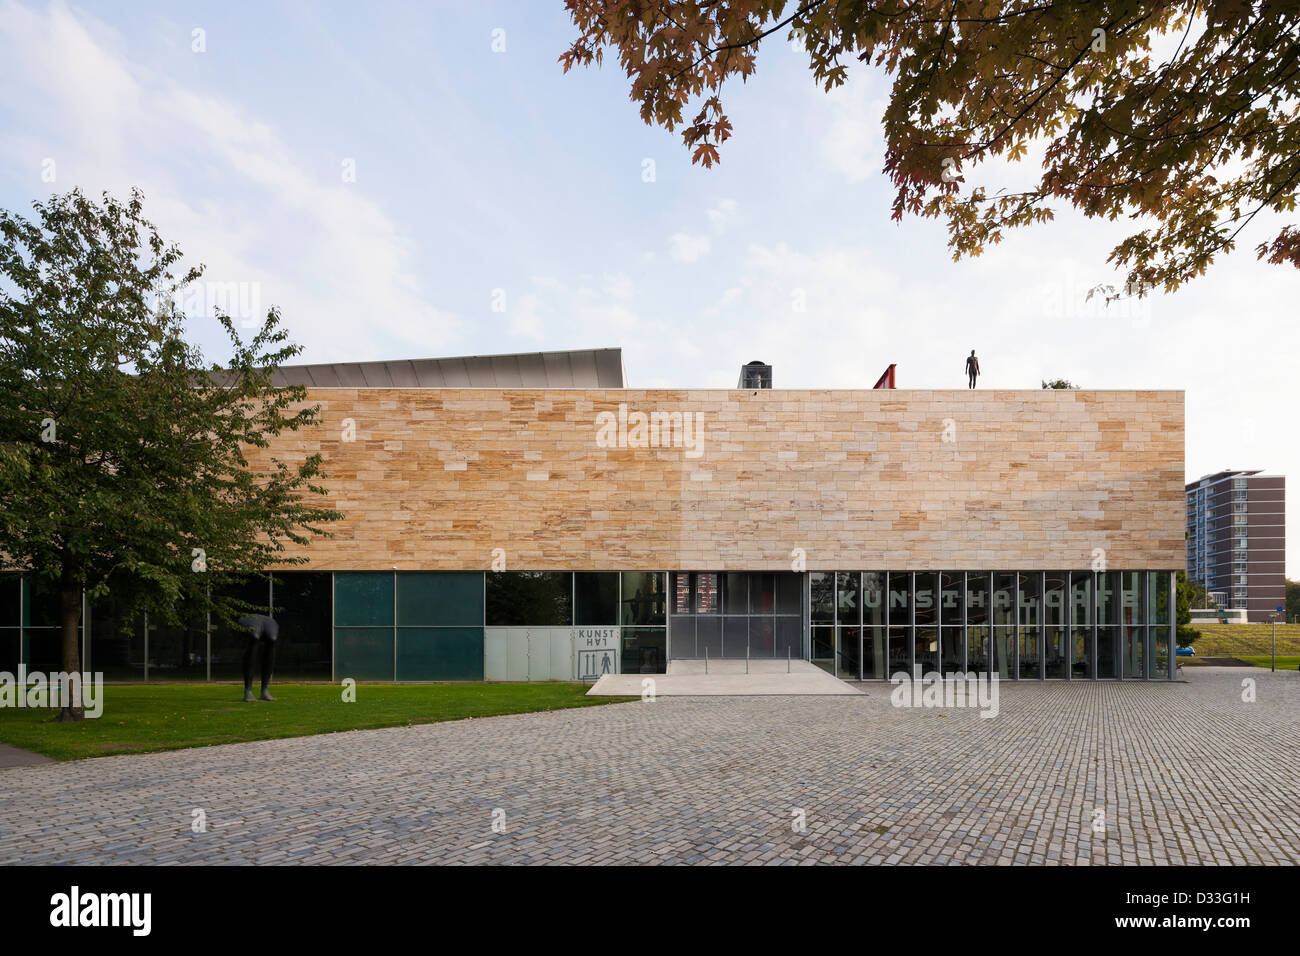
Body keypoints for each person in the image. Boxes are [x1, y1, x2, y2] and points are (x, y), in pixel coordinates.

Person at [237, 613, 279, 702]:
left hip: (268, 620)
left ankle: (264, 690)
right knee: (254, 637)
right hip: (248, 617)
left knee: (272, 639)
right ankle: (248, 690)